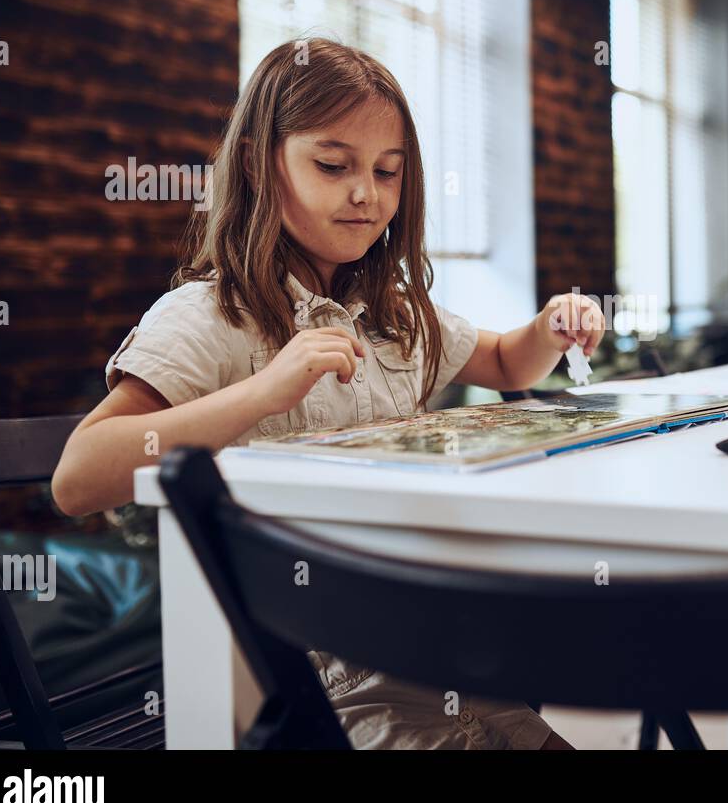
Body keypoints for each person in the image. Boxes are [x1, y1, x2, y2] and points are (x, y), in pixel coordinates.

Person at [53, 38, 605, 750]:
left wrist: (549, 327)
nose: (365, 194)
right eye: (333, 165)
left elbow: (504, 362)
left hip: (433, 652)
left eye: (387, 172)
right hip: (313, 685)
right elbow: (78, 477)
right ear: (256, 163)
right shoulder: (209, 315)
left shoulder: (394, 311)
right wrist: (264, 389)